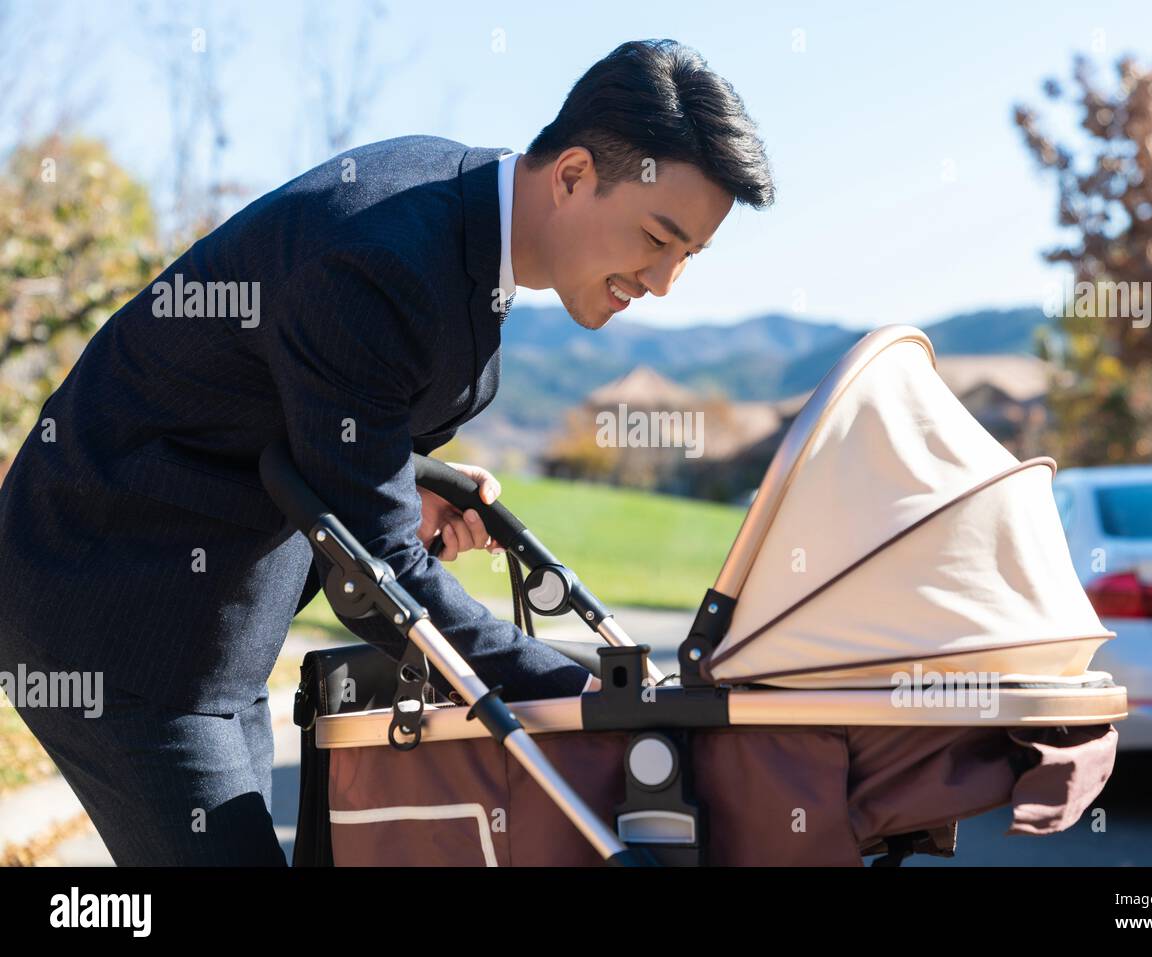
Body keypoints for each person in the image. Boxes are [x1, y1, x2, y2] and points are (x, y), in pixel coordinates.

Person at [0, 38, 774, 865]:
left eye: (687, 256)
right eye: (658, 238)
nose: (662, 281)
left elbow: (310, 411)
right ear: (575, 174)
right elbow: (379, 576)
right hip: (114, 610)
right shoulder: (384, 258)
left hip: (219, 626)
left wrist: (401, 477)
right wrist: (582, 692)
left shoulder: (470, 224)